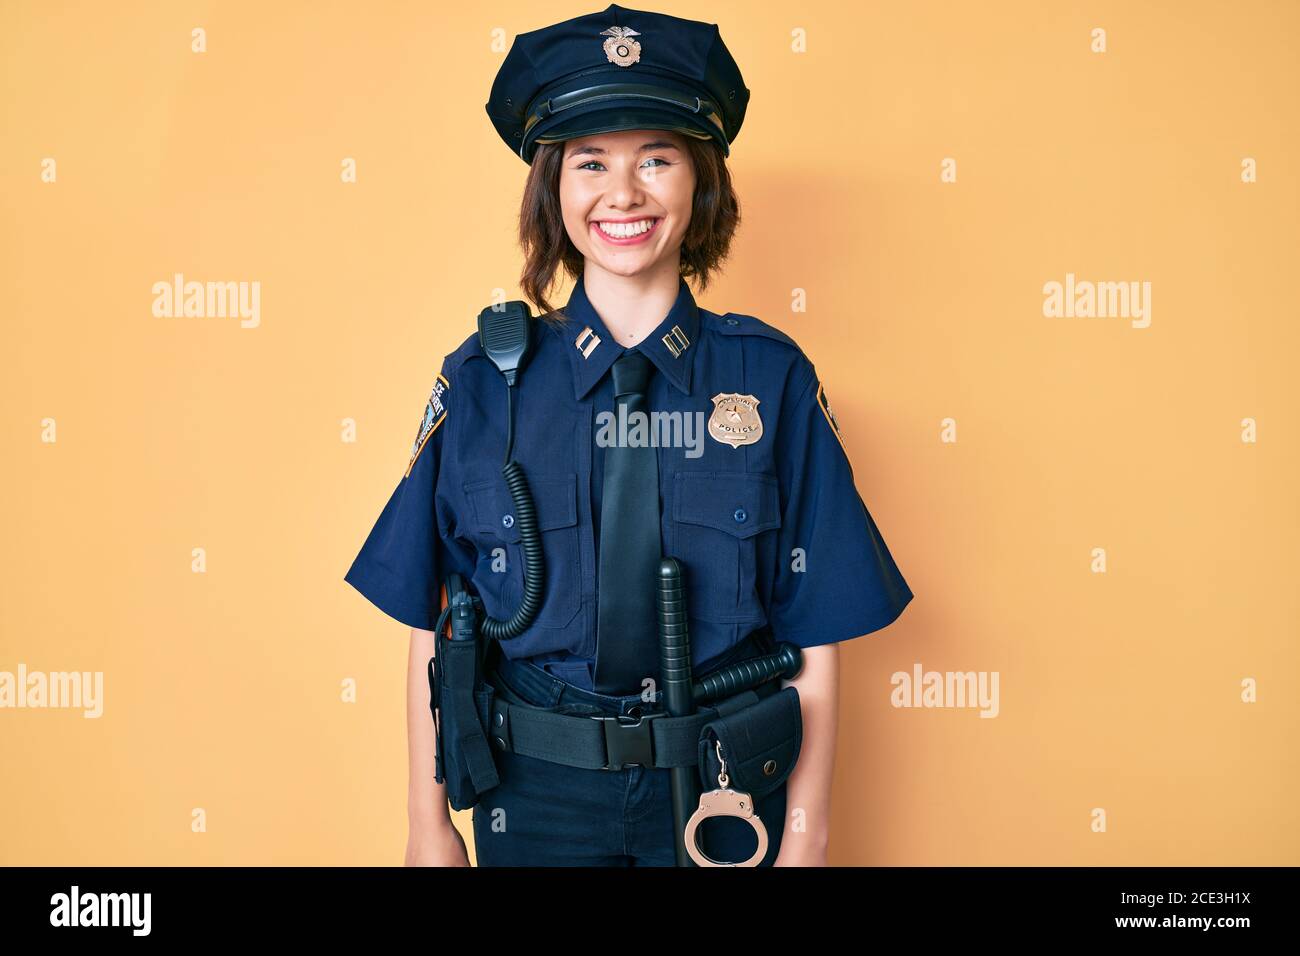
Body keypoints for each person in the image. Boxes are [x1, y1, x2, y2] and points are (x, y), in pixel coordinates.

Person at [344, 3, 914, 867]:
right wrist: (428, 830)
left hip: (727, 792)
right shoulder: (480, 380)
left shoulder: (771, 379)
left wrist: (807, 835)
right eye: (590, 163)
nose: (624, 193)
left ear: (701, 182)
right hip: (531, 797)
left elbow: (816, 630)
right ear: (553, 190)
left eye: (658, 158)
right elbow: (434, 619)